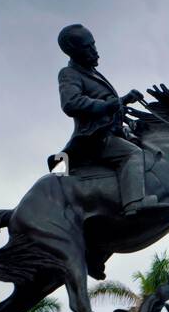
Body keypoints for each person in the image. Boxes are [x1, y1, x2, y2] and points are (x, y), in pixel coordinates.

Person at [54, 24, 154, 217]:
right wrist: (113, 104)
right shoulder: (69, 74)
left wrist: (123, 107)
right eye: (87, 47)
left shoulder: (92, 73)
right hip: (93, 138)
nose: (94, 51)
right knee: (132, 154)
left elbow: (110, 107)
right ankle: (134, 203)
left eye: (94, 45)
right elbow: (71, 103)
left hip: (111, 132)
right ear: (74, 51)